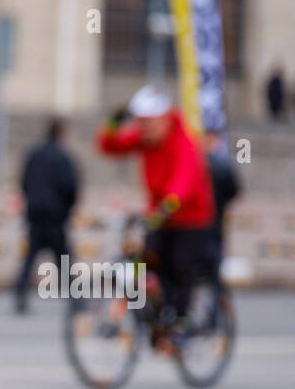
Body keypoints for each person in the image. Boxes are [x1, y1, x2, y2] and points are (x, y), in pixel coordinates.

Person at [96, 85, 215, 347]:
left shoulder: (183, 140)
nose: (143, 128)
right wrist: (114, 123)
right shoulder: (144, 138)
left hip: (190, 219)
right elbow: (109, 146)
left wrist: (168, 205)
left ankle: (180, 323)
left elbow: (184, 181)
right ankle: (154, 308)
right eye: (139, 122)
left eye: (148, 122)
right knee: (144, 260)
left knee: (181, 267)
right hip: (159, 216)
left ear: (163, 118)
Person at [13, 117, 80, 314]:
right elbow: (70, 186)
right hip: (55, 215)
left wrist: (32, 202)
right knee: (63, 257)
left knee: (30, 256)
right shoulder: (62, 156)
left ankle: (20, 293)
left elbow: (24, 181)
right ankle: (75, 297)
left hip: (35, 212)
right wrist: (68, 208)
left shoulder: (34, 154)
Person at [201, 130, 241, 297]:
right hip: (216, 216)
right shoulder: (223, 164)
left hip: (201, 218)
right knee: (214, 257)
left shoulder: (200, 163)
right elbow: (235, 189)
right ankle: (217, 294)